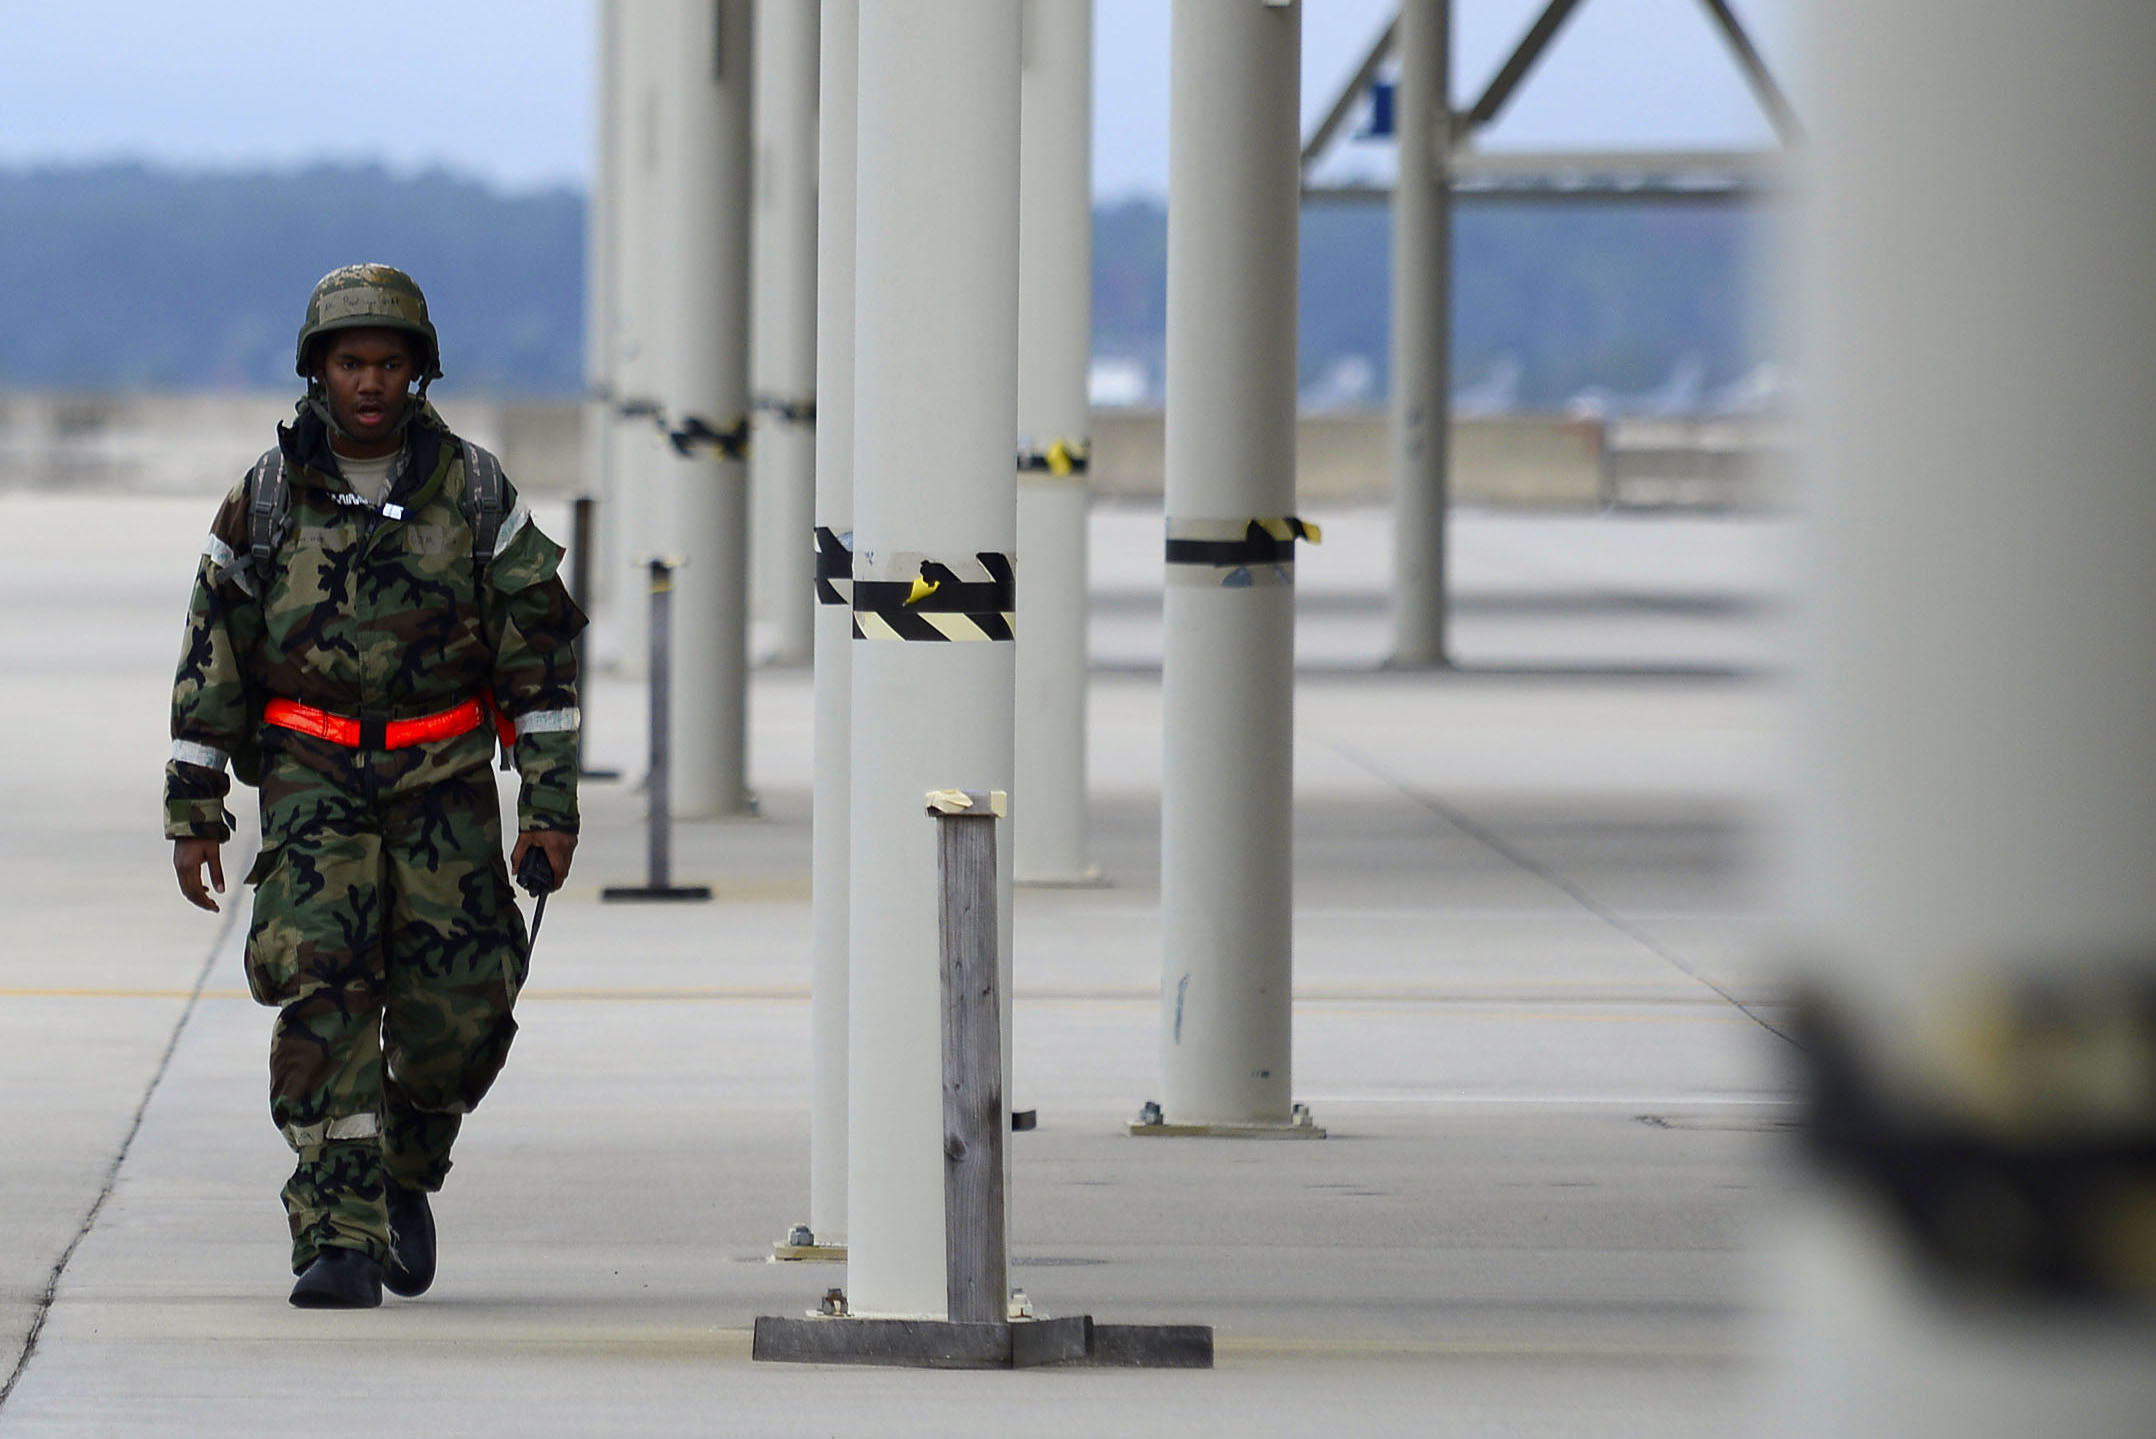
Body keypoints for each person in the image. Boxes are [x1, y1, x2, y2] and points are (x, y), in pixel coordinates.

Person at [165, 263, 583, 1309]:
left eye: (387, 362)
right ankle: (335, 1232)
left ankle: (403, 1171)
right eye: (350, 361)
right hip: (311, 775)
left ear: (417, 371)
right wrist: (194, 807)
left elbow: (539, 657)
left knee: (463, 1014)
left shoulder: (477, 491)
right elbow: (212, 649)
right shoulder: (264, 496)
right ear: (319, 369)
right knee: (323, 994)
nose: (368, 380)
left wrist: (549, 806)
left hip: (441, 774)